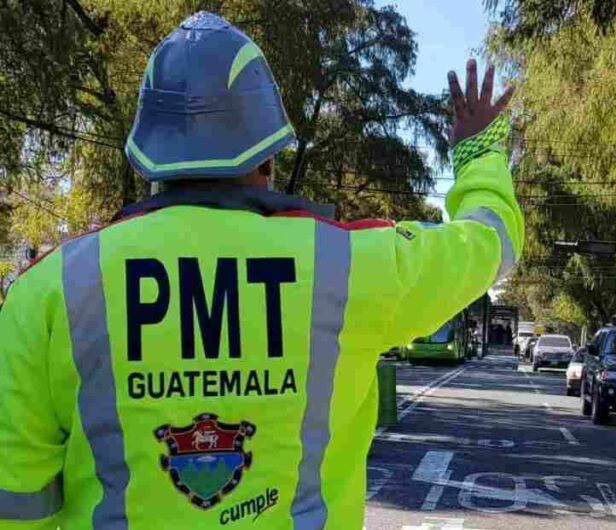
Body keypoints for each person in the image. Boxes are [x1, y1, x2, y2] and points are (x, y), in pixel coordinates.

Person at [0, 12, 522, 530]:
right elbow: (489, 243)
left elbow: (17, 500)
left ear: (146, 157)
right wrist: (478, 154)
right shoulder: (351, 266)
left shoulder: (50, 292)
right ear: (268, 155)